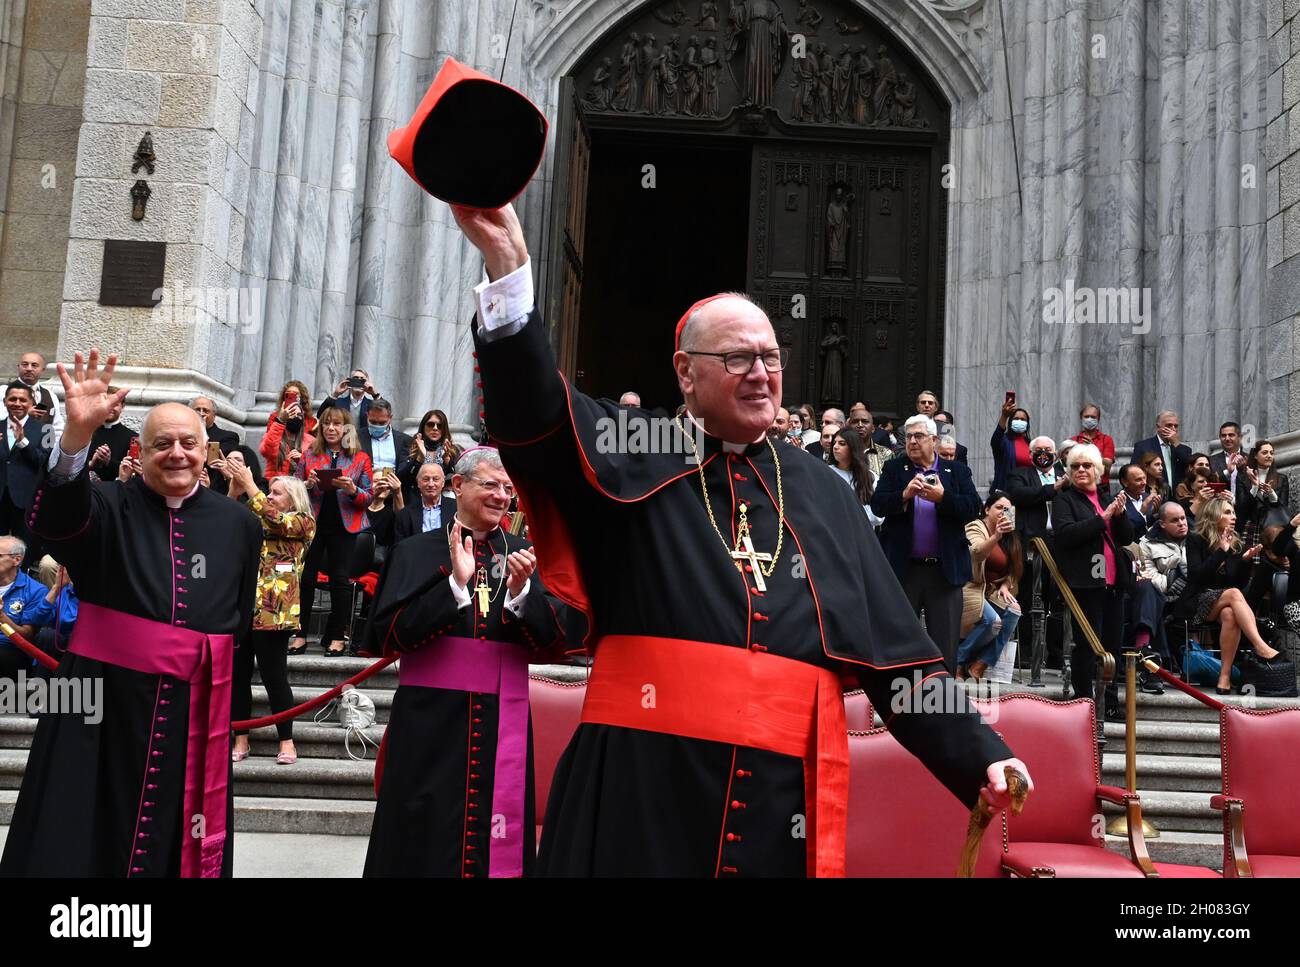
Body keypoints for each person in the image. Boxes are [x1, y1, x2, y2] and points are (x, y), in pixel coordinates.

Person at [454, 201, 1027, 877]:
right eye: (737, 357)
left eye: (770, 356)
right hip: (640, 790)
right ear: (685, 372)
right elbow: (535, 414)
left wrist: (982, 749)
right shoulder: (635, 448)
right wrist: (509, 271)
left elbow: (900, 664)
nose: (761, 371)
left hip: (779, 806)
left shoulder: (823, 493)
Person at [0, 352, 262, 877]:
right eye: (162, 443)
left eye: (189, 443)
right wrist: (74, 437)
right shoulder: (106, 502)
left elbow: (237, 628)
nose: (177, 454)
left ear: (207, 450)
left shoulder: (239, 525)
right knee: (79, 829)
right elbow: (56, 520)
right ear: (140, 453)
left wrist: (236, 717)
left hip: (194, 707)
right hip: (100, 700)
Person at [364, 447, 564, 877]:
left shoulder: (526, 554)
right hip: (428, 726)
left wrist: (521, 594)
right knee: (421, 838)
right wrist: (455, 584)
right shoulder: (415, 550)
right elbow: (392, 635)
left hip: (501, 722)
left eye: (508, 488)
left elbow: (554, 639)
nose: (501, 496)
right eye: (490, 484)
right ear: (458, 486)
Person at [872, 415, 983, 669]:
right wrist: (904, 494)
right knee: (900, 642)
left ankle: (941, 702)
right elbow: (878, 505)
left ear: (933, 440)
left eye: (918, 436)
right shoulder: (894, 469)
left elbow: (972, 508)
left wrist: (943, 498)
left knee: (944, 646)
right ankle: (900, 701)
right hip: (904, 569)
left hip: (944, 573)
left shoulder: (956, 471)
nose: (912, 441)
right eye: (908, 436)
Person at [226, 458, 316, 766]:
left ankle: (286, 741)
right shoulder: (257, 516)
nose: (270, 495)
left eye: (277, 492)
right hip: (241, 609)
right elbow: (226, 520)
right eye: (270, 491)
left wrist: (251, 487)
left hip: (275, 613)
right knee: (237, 678)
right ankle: (241, 738)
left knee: (274, 678)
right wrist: (235, 490)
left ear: (293, 499)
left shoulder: (303, 522)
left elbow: (278, 520)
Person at [1049, 442, 1133, 714]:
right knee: (1088, 645)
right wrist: (1103, 518)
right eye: (1075, 466)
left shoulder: (1108, 497)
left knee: (1112, 644)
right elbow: (1065, 535)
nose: (1081, 470)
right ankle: (1083, 701)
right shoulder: (1065, 499)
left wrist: (1118, 517)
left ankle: (1109, 702)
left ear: (1098, 471)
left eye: (1087, 466)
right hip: (1085, 582)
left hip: (1112, 582)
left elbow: (1127, 538)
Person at [1179, 494, 1282, 693]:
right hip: (1196, 600)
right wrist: (1221, 551)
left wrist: (1245, 561)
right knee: (1233, 594)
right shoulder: (1195, 539)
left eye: (1234, 512)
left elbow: (1236, 583)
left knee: (1230, 614)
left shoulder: (1235, 542)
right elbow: (1197, 576)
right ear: (1214, 515)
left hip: (1222, 602)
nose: (1233, 516)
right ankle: (1259, 645)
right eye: (1228, 512)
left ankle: (1224, 677)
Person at [295, 407, 373, 656]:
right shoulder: (309, 455)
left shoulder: (360, 458)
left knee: (340, 580)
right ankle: (300, 634)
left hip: (344, 527)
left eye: (337, 424)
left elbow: (369, 497)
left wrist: (352, 490)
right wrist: (306, 486)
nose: (331, 428)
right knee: (305, 579)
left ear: (346, 429)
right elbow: (293, 491)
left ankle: (338, 637)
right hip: (313, 524)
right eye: (327, 423)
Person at [956, 492, 1021, 681]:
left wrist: (1006, 585)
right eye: (999, 508)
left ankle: (981, 663)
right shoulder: (975, 527)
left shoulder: (1010, 534)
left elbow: (1014, 568)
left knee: (1014, 611)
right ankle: (958, 661)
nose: (1003, 512)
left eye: (1007, 510)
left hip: (991, 590)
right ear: (987, 509)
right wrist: (996, 537)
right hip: (969, 587)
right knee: (993, 622)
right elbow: (975, 553)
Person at [2, 382, 50, 557]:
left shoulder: (46, 429)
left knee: (24, 552)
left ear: (31, 404)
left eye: (22, 400)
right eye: (12, 399)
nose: (17, 403)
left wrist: (23, 441)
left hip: (25, 500)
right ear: (4, 401)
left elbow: (44, 462)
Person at [0, 535, 51, 683]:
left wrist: (3, 617)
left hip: (11, 651)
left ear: (17, 560)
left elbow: (28, 637)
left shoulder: (35, 590)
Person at [260, 380, 316, 479]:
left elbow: (316, 466)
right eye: (289, 394)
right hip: (275, 482)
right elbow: (269, 449)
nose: (293, 397)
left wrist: (302, 459)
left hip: (299, 486)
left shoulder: (311, 433)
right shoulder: (276, 419)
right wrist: (280, 421)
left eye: (297, 395)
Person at [393, 461, 457, 543]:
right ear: (418, 483)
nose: (431, 484)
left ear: (443, 482)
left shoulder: (457, 509)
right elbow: (400, 548)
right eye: (426, 479)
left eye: (436, 479)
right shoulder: (405, 515)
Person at [828, 427, 881, 525]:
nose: (835, 446)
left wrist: (850, 512)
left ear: (853, 447)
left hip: (861, 535)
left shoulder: (870, 477)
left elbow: (878, 516)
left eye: (842, 443)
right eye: (834, 442)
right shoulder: (825, 472)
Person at [403, 408, 461, 496]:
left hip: (443, 498)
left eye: (440, 426)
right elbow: (405, 478)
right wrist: (419, 459)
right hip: (415, 496)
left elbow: (457, 480)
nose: (435, 428)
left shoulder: (452, 450)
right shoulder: (411, 447)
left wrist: (447, 462)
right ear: (423, 427)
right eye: (430, 424)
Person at [1238, 440, 1288, 542]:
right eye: (1265, 452)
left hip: (1273, 528)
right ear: (1255, 456)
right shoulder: (1243, 478)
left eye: (1271, 453)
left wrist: (1271, 493)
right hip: (1250, 527)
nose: (1269, 456)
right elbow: (1241, 509)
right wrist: (1255, 487)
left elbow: (1283, 508)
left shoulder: (1282, 478)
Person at [1132, 411, 1191, 493]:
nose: (1173, 429)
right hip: (1153, 494)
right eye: (1169, 425)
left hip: (1178, 497)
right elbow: (1133, 472)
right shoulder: (1143, 447)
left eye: (1176, 426)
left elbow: (1189, 466)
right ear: (1158, 427)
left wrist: (1176, 443)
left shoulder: (1184, 449)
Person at [87, 388, 137, 483]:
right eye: (106, 404)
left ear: (122, 406)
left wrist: (109, 462)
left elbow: (133, 473)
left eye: (115, 404)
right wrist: (91, 464)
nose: (110, 408)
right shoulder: (86, 433)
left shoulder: (133, 438)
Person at [16, 351, 64, 440]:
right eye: (25, 364)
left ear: (42, 369)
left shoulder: (51, 396)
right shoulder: (3, 391)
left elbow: (57, 428)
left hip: (42, 451)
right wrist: (25, 415)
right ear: (18, 367)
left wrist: (53, 451)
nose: (29, 369)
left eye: (34, 365)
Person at [990, 399, 1032, 492]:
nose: (1019, 421)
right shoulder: (1004, 441)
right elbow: (996, 438)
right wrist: (1004, 416)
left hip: (1027, 491)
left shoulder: (1030, 444)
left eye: (1023, 419)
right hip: (1007, 490)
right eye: (1016, 419)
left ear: (1027, 423)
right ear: (1010, 421)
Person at [1070, 403, 1115, 480]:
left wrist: (1093, 449)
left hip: (1101, 486)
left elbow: (1107, 467)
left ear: (1098, 419)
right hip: (1079, 484)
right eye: (1086, 417)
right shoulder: (1073, 440)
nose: (1089, 419)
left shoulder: (1106, 439)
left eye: (1093, 417)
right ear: (1081, 418)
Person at [1117, 462, 1160, 532]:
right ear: (1125, 482)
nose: (1144, 483)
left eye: (1144, 478)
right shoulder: (1118, 502)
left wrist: (1156, 514)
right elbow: (1124, 531)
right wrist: (1141, 512)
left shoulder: (1149, 498)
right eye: (1138, 480)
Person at [1208, 421, 1247, 494]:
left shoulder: (1249, 458)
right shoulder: (1211, 460)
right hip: (1220, 503)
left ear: (1240, 437)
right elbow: (1210, 485)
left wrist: (1242, 470)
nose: (1227, 438)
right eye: (1223, 435)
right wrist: (1228, 473)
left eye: (1231, 435)